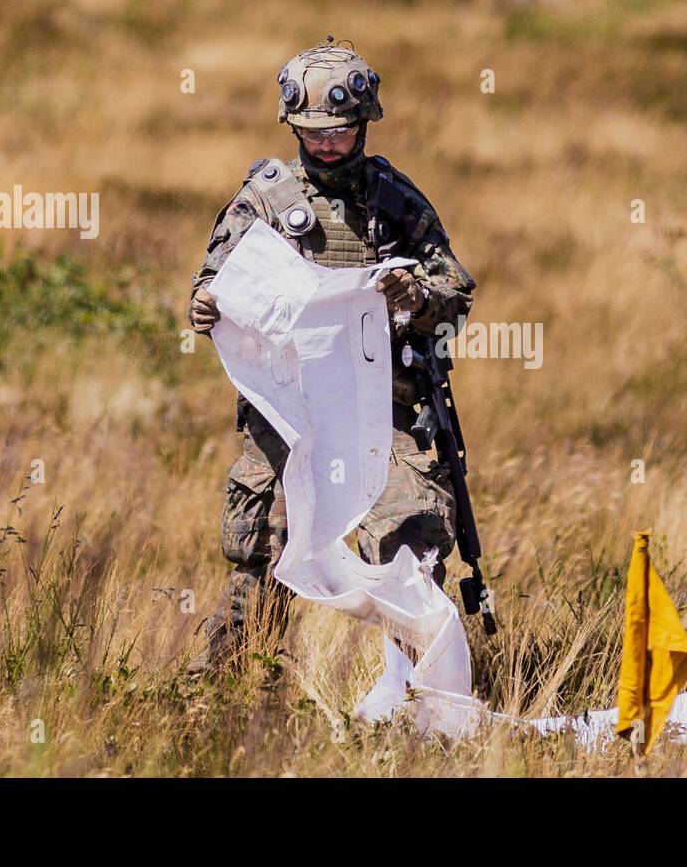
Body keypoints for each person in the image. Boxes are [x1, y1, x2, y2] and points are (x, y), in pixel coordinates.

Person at [185, 39, 475, 680]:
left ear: (365, 121)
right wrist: (204, 307)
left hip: (383, 412)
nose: (326, 144)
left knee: (410, 540)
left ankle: (422, 696)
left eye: (340, 131)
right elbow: (215, 285)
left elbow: (455, 293)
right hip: (289, 410)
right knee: (263, 548)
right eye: (312, 132)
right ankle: (225, 698)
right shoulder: (264, 199)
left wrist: (417, 295)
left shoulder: (397, 202)